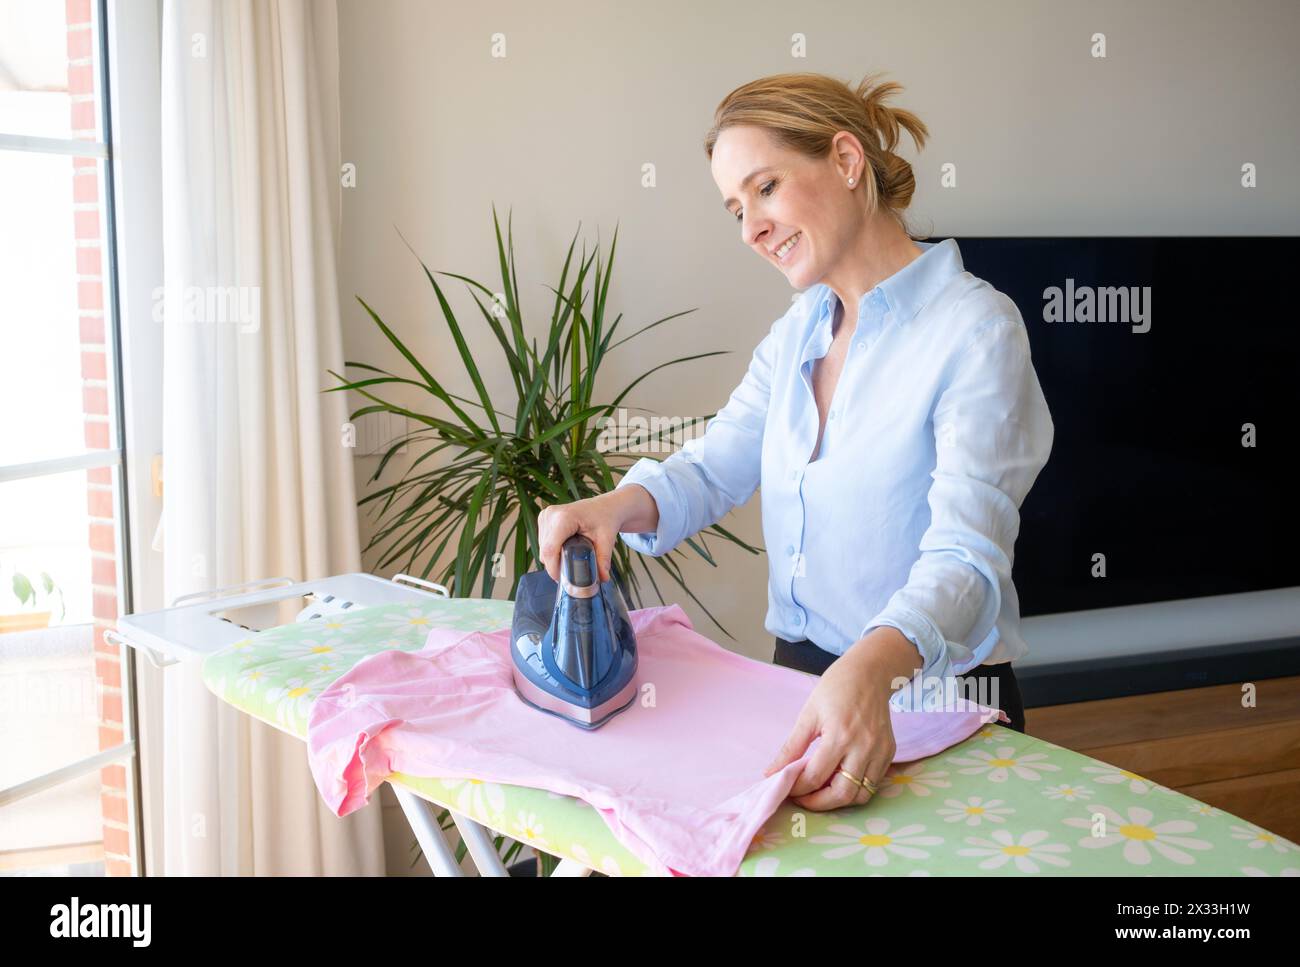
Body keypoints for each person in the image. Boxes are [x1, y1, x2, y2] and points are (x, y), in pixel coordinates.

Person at [536, 71, 1053, 815]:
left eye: (766, 188)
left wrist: (871, 668)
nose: (751, 229)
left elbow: (967, 560)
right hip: (800, 681)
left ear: (847, 161)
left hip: (934, 698)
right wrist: (614, 507)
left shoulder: (974, 330)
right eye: (736, 210)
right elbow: (716, 465)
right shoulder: (800, 332)